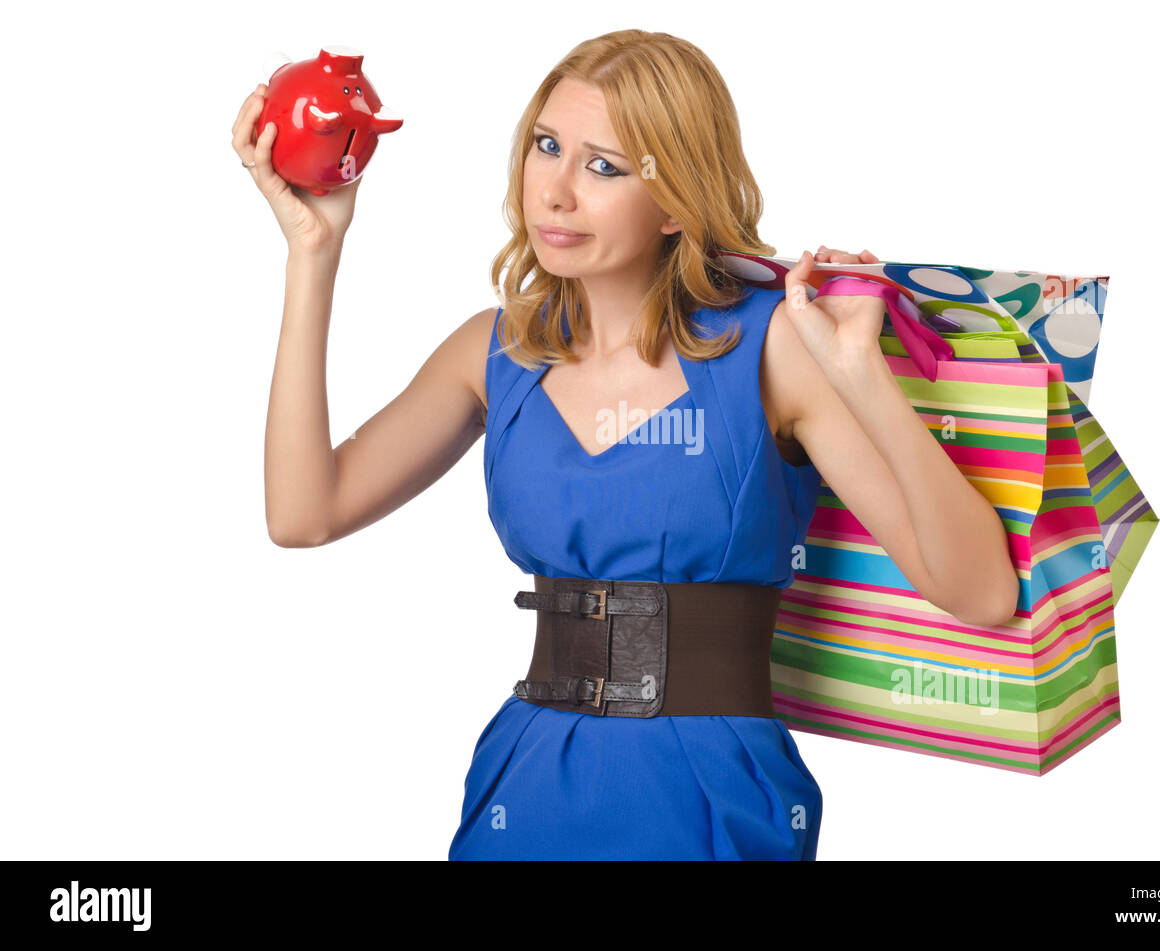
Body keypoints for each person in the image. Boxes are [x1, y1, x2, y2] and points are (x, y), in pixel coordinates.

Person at [232, 29, 1020, 861]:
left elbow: (980, 593)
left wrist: (860, 369)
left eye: (604, 166)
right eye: (547, 147)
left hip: (712, 796)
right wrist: (313, 250)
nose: (556, 193)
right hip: (529, 782)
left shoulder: (774, 350)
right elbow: (302, 512)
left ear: (677, 198)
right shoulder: (494, 353)